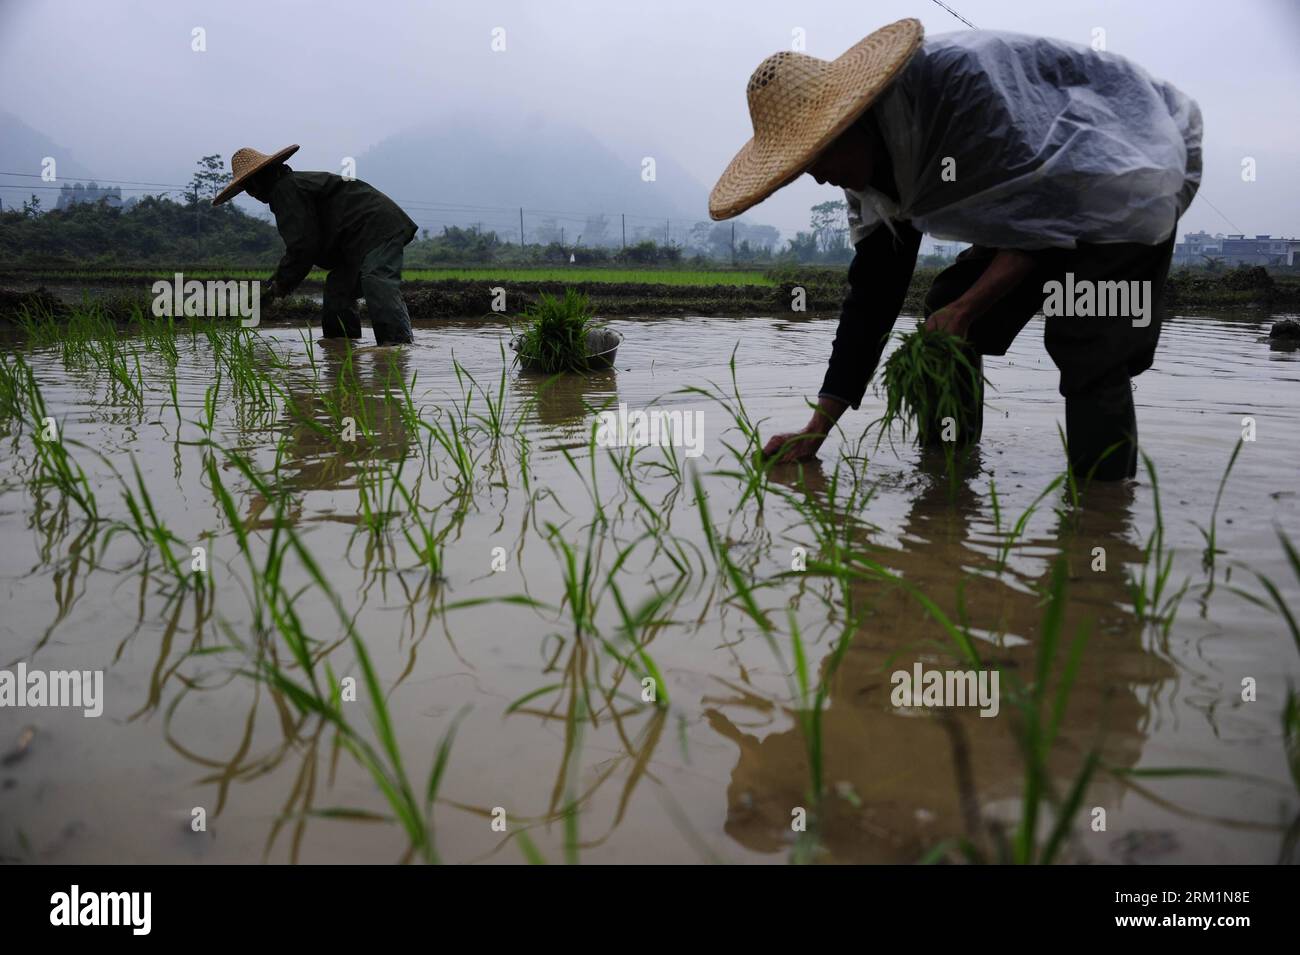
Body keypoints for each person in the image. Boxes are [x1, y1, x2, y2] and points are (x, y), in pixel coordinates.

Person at [708, 19, 1202, 480]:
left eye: (817, 157)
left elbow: (1046, 217)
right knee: (944, 318)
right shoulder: (868, 180)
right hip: (1042, 202)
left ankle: (1103, 519)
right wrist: (817, 427)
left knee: (1086, 332)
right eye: (802, 165)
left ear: (850, 121)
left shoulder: (962, 95)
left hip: (1129, 174)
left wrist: (970, 308)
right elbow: (873, 300)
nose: (815, 176)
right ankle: (948, 480)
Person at [212, 145, 418, 345]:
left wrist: (283, 282)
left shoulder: (286, 188)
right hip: (354, 242)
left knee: (376, 280)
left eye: (249, 186)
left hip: (376, 227)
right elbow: (309, 240)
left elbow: (303, 245)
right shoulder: (291, 187)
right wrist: (280, 279)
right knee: (338, 290)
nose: (251, 194)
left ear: (261, 179)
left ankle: (397, 349)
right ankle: (341, 349)